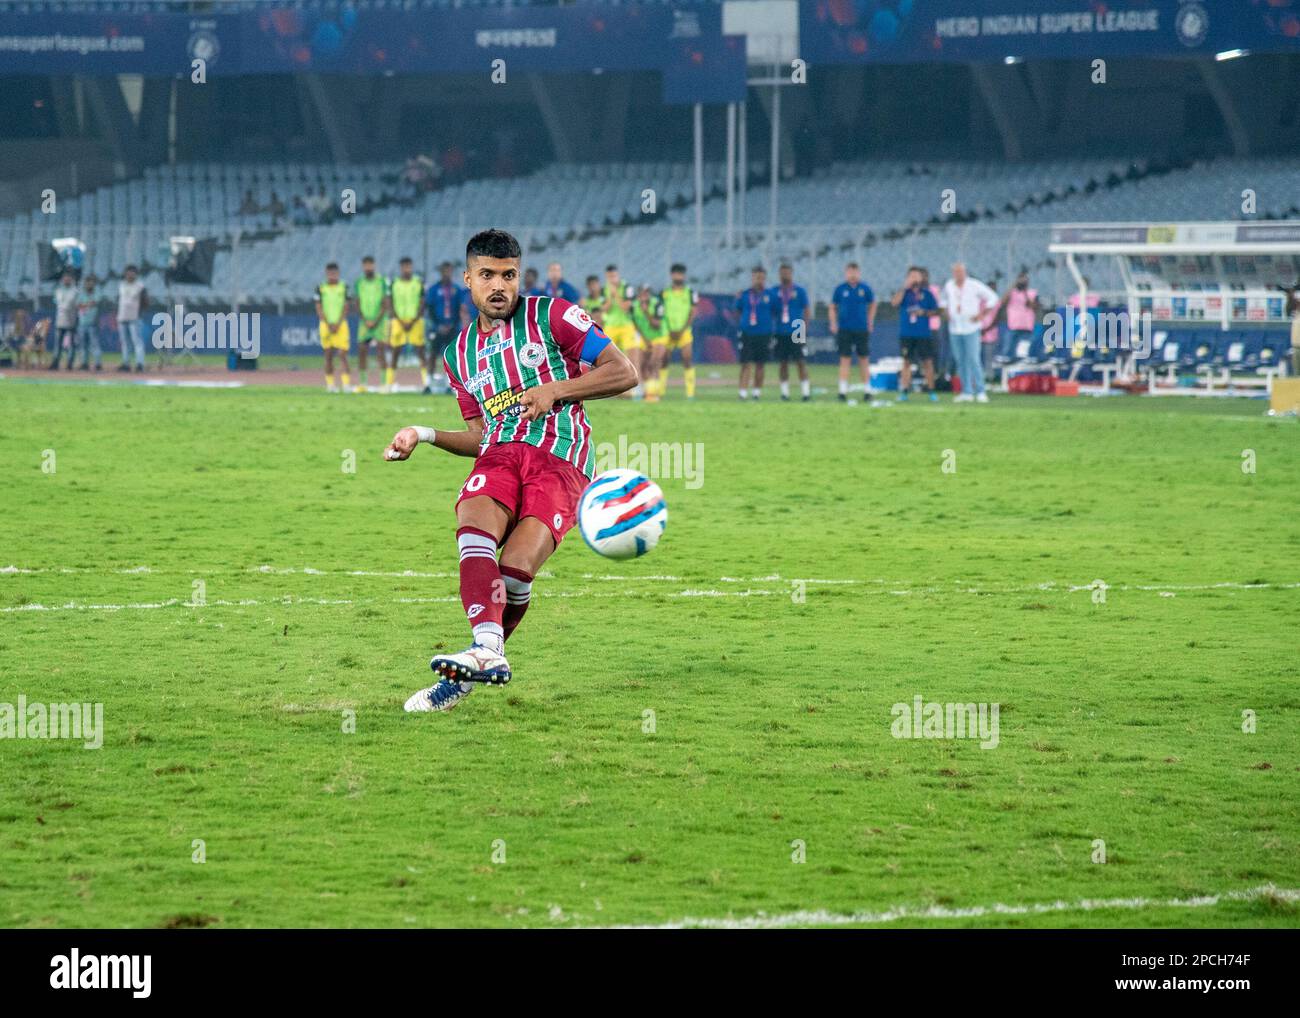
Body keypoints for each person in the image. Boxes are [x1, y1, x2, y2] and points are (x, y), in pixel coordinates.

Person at [385, 228, 638, 712]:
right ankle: (487, 651)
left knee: (516, 572)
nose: (499, 285)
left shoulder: (553, 316)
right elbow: (480, 435)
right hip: (500, 453)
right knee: (473, 523)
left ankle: (474, 665)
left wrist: (556, 390)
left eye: (509, 275)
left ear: (519, 276)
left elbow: (624, 372)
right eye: (487, 275)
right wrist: (424, 433)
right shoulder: (457, 355)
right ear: (468, 279)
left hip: (561, 459)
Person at [941, 262, 998, 403]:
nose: (958, 274)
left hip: (971, 328)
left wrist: (982, 314)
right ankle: (966, 390)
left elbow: (993, 298)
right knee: (960, 360)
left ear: (965, 272)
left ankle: (980, 390)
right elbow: (942, 301)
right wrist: (946, 312)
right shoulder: (949, 286)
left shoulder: (974, 285)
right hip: (955, 328)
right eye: (956, 272)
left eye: (961, 272)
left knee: (973, 359)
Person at [892, 266, 941, 401]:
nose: (914, 278)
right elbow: (894, 303)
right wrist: (904, 288)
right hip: (906, 333)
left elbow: (936, 311)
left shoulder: (927, 293)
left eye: (916, 276)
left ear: (921, 278)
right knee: (906, 362)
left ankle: (931, 391)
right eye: (911, 276)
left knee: (927, 362)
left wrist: (924, 313)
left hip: (923, 334)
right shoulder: (904, 293)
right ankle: (904, 391)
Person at [829, 262, 875, 402]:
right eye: (850, 272)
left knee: (864, 359)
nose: (852, 275)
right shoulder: (840, 289)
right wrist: (833, 322)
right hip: (844, 329)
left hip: (861, 328)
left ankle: (867, 390)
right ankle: (842, 391)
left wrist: (870, 320)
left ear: (859, 273)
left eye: (855, 272)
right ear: (846, 273)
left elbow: (873, 304)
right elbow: (832, 307)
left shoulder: (865, 288)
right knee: (845, 359)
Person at [601, 265, 644, 398]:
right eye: (609, 277)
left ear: (617, 275)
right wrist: (610, 297)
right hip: (611, 326)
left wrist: (616, 295)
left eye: (613, 276)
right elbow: (605, 309)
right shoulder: (605, 289)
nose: (611, 279)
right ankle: (614, 390)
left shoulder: (627, 288)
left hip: (626, 326)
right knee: (607, 360)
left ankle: (638, 389)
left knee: (632, 358)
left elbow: (626, 307)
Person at [770, 262, 810, 401]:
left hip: (797, 329)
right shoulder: (774, 292)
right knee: (783, 363)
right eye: (782, 273)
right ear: (779, 275)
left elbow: (806, 310)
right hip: (780, 330)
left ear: (791, 273)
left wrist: (804, 328)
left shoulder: (800, 291)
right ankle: (785, 393)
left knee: (800, 361)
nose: (785, 275)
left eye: (787, 272)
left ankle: (805, 393)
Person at [658, 263, 698, 400]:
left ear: (684, 275)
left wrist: (682, 330)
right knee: (663, 360)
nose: (678, 276)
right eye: (676, 273)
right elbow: (661, 312)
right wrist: (668, 329)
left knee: (687, 359)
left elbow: (693, 313)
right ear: (672, 275)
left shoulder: (690, 293)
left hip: (684, 331)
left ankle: (690, 394)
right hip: (668, 331)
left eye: (680, 273)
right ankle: (661, 392)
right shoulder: (665, 293)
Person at [427, 260, 469, 392]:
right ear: (441, 272)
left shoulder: (457, 290)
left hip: (452, 327)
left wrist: (453, 325)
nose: (447, 273)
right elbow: (430, 308)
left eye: (449, 271)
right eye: (444, 271)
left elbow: (459, 308)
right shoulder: (434, 289)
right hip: (437, 327)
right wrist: (438, 325)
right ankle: (428, 384)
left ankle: (448, 385)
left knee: (450, 356)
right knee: (433, 354)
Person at [735, 266, 774, 400]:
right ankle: (742, 393)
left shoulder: (770, 295)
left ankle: (757, 393)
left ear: (765, 278)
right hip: (747, 333)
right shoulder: (744, 294)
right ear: (752, 278)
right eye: (757, 277)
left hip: (764, 334)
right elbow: (737, 310)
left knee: (760, 364)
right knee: (746, 363)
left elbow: (776, 311)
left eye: (762, 278)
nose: (759, 280)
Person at [388, 257, 426, 390]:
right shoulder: (394, 283)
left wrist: (414, 319)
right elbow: (391, 303)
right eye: (404, 267)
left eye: (408, 266)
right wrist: (398, 319)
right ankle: (389, 383)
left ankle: (426, 382)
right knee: (395, 351)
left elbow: (422, 303)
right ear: (401, 268)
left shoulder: (418, 282)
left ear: (411, 267)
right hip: (398, 321)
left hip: (415, 321)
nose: (406, 269)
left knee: (420, 351)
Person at [353, 256, 389, 393]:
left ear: (374, 265)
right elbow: (357, 303)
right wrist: (365, 319)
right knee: (362, 350)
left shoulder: (382, 281)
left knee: (381, 351)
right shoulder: (359, 283)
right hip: (364, 322)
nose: (368, 268)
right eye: (366, 265)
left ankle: (383, 384)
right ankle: (363, 383)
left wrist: (375, 320)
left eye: (370, 265)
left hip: (379, 322)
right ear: (363, 266)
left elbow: (385, 303)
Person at [315, 262, 352, 393]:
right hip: (326, 325)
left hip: (341, 325)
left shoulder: (344, 287)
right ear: (326, 273)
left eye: (334, 273)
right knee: (328, 355)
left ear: (338, 273)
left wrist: (338, 323)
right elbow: (318, 307)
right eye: (330, 273)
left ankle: (346, 384)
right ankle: (330, 385)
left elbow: (346, 307)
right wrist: (327, 323)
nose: (332, 276)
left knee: (342, 354)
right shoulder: (320, 288)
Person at [631, 285, 666, 403]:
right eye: (642, 293)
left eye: (646, 293)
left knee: (653, 363)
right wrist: (645, 339)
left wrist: (646, 312)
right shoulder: (634, 306)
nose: (644, 296)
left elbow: (657, 325)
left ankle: (654, 394)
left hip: (658, 337)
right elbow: (635, 323)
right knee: (641, 365)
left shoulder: (657, 304)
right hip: (644, 338)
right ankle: (646, 392)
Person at [115, 265, 147, 374]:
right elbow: (119, 299)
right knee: (124, 342)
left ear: (136, 274)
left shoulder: (140, 286)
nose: (129, 275)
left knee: (137, 341)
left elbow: (145, 301)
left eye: (132, 272)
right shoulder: (121, 285)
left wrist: (139, 313)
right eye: (128, 272)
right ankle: (126, 363)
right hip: (122, 316)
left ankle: (140, 364)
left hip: (135, 317)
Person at [49, 271, 79, 371]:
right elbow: (56, 303)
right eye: (65, 278)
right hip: (60, 320)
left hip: (71, 320)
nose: (66, 280)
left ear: (72, 279)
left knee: (71, 344)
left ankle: (69, 363)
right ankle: (55, 362)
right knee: (57, 344)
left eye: (68, 278)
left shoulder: (75, 291)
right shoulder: (58, 291)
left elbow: (77, 305)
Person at [74, 274, 102, 371]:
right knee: (83, 345)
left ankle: (98, 364)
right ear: (85, 284)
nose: (89, 285)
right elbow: (77, 305)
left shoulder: (97, 293)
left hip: (93, 323)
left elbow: (95, 302)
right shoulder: (81, 294)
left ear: (94, 284)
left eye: (91, 283)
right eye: (87, 283)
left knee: (94, 344)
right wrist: (87, 304)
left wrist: (84, 305)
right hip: (82, 323)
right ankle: (84, 363)